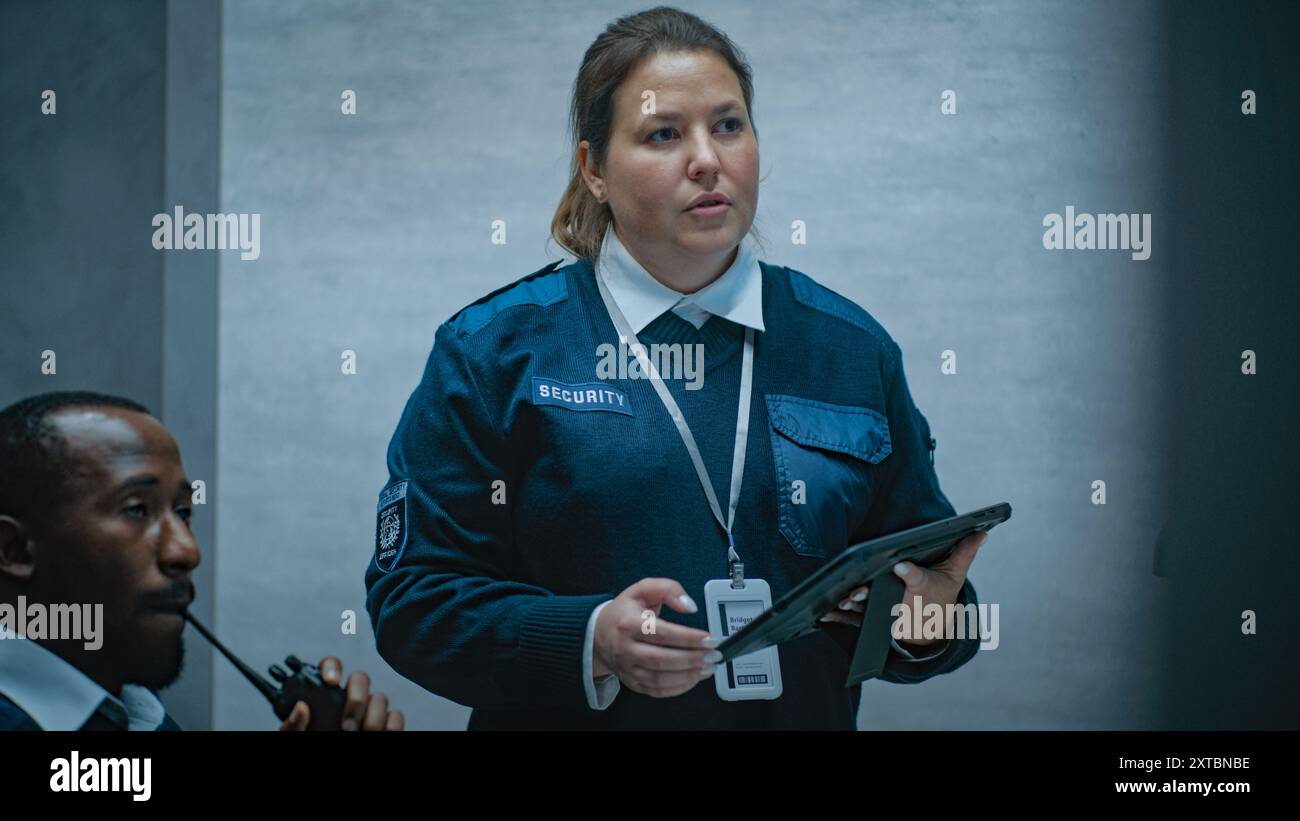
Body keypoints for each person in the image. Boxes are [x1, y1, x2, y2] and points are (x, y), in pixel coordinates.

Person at [365, 5, 987, 730]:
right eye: (665, 133)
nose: (707, 158)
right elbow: (411, 600)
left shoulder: (850, 349)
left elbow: (933, 597)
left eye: (728, 125)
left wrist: (927, 627)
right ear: (594, 170)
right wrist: (588, 639)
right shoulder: (493, 353)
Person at [0, 391, 404, 731]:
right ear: (13, 550)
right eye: (137, 509)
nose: (187, 551)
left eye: (183, 512)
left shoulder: (140, 716)